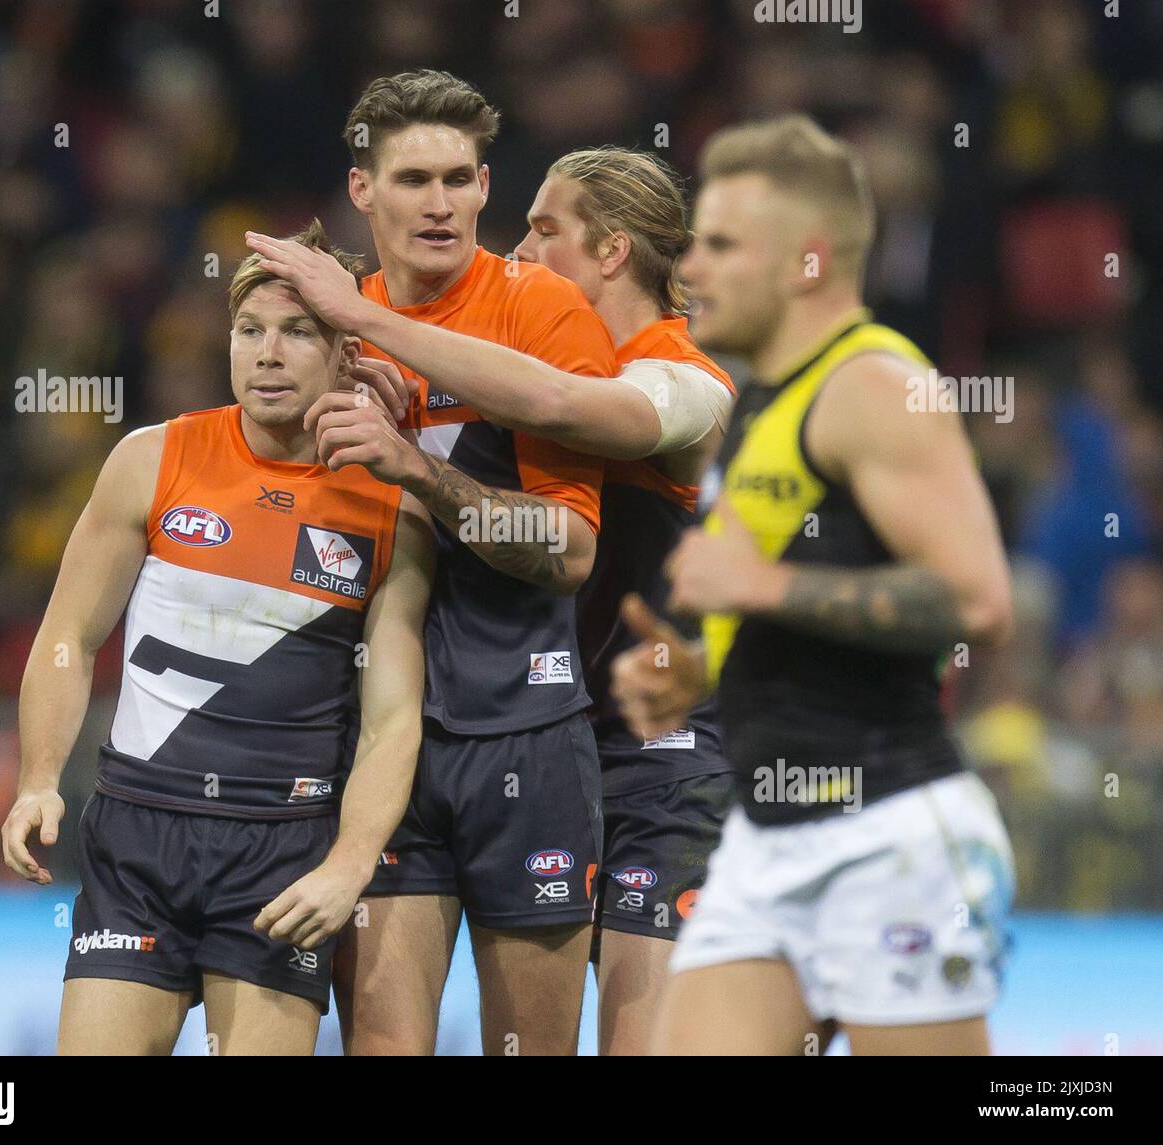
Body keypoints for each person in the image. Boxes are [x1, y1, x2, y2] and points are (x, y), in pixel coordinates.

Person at [255, 146, 736, 1054]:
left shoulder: (686, 379)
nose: (515, 250)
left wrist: (361, 313)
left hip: (661, 759)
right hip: (547, 732)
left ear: (614, 253)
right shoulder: (513, 355)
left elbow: (559, 403)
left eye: (545, 230)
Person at [611, 115, 1017, 1056]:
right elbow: (777, 607)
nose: (692, 268)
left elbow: (978, 601)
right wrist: (691, 670)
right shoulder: (762, 399)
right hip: (765, 836)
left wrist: (764, 588)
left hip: (887, 835)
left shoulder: (873, 385)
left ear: (807, 262)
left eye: (720, 245)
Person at [248, 69, 618, 1056]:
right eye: (413, 178)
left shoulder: (542, 312)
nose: (440, 204)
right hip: (374, 746)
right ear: (363, 190)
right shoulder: (320, 329)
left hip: (525, 735)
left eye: (459, 178)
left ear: (489, 186)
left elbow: (568, 550)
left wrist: (414, 468)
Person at [0, 221, 434, 1056]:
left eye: (299, 332)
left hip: (281, 850)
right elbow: (67, 635)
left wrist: (347, 865)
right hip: (138, 833)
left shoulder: (392, 507)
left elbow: (392, 720)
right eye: (250, 331)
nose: (269, 353)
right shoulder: (151, 458)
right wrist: (39, 779)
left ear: (347, 351)